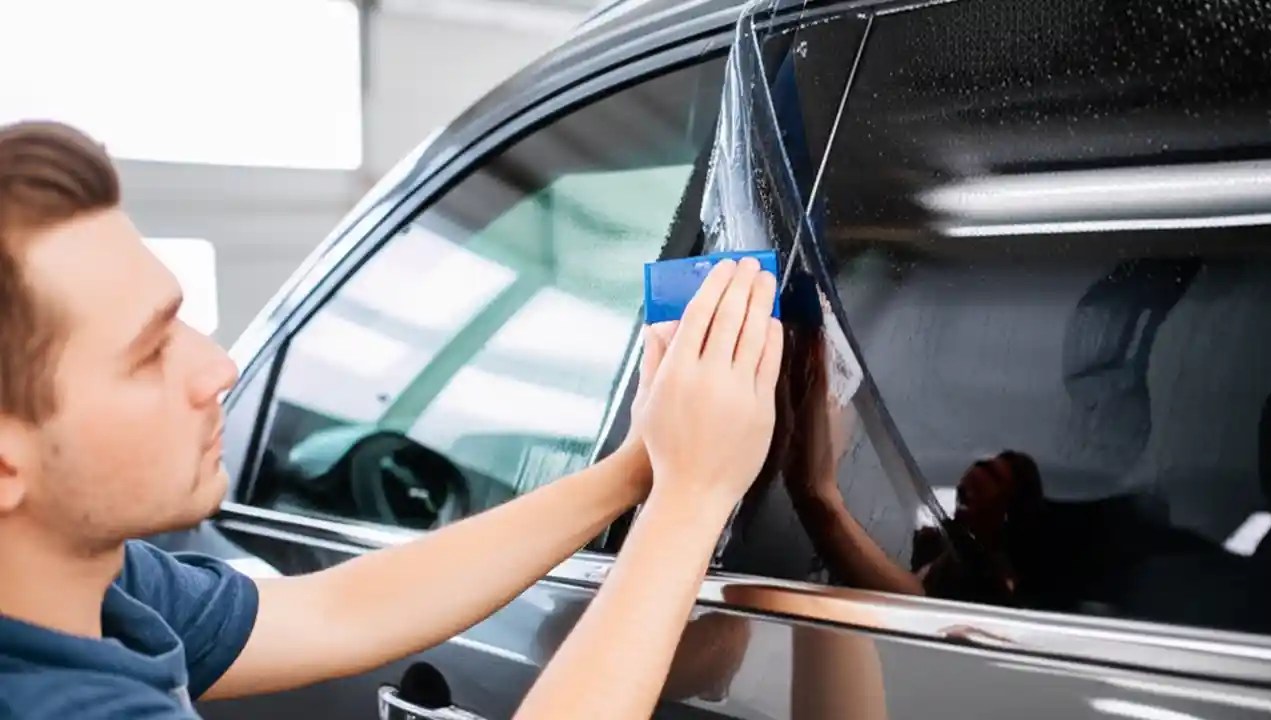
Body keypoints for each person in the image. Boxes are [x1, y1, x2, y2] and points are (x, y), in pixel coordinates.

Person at [0, 120, 784, 719]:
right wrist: (690, 499)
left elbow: (336, 612)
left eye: (182, 323)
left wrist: (640, 465)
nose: (218, 368)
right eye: (148, 354)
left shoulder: (89, 592)